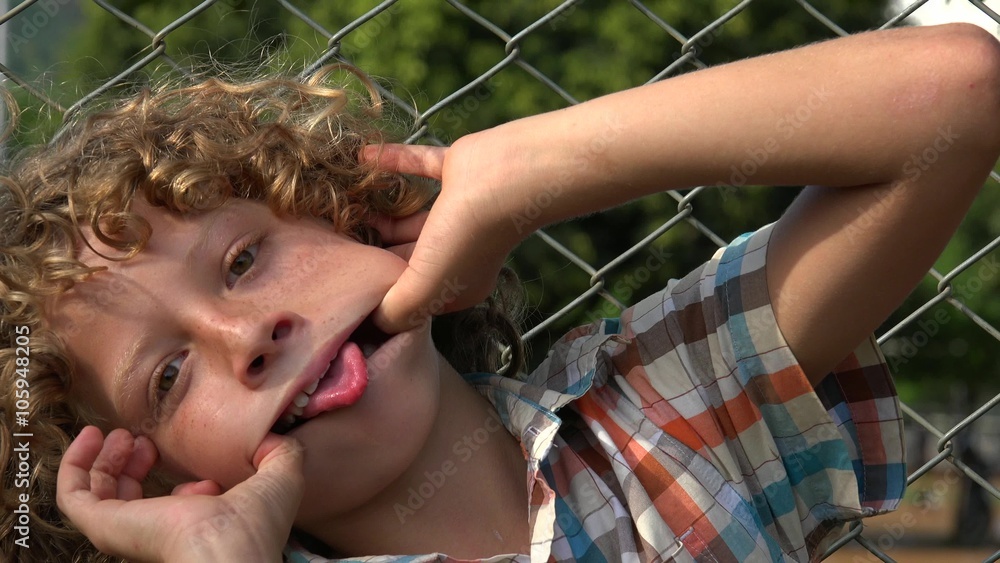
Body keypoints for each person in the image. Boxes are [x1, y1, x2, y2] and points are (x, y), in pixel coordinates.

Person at [2, 22, 999, 563]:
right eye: (168, 376)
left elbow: (950, 95)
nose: (245, 335)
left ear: (357, 221)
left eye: (242, 260)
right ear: (159, 483)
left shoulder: (659, 410)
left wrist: (524, 170)